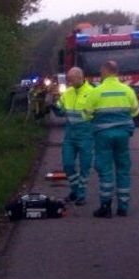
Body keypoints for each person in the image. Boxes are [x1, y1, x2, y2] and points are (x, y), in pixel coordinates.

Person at [83, 60, 139, 218]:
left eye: (101, 71)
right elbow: (135, 111)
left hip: (103, 135)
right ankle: (123, 207)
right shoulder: (127, 90)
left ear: (105, 71)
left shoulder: (97, 91)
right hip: (123, 135)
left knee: (105, 170)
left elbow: (86, 113)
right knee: (123, 169)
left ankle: (106, 206)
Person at [51, 67, 93, 205]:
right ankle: (76, 190)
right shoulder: (68, 93)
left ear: (80, 77)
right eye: (67, 78)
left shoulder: (91, 93)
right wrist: (54, 105)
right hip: (70, 134)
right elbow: (60, 111)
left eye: (70, 78)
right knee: (68, 164)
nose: (68, 81)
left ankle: (81, 193)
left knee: (85, 167)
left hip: (86, 134)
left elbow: (97, 114)